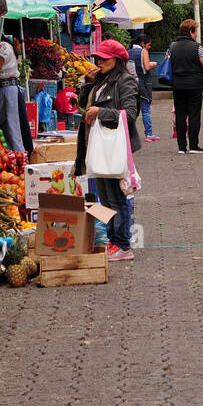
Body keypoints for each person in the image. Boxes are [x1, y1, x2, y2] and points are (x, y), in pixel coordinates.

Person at [74, 38, 141, 261]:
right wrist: (87, 83)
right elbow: (82, 108)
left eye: (104, 58)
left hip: (113, 148)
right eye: (97, 58)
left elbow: (130, 115)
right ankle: (112, 242)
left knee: (116, 198)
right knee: (105, 198)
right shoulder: (100, 81)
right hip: (96, 146)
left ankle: (123, 246)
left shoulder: (126, 81)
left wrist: (101, 113)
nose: (99, 62)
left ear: (117, 59)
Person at [167, 19, 203, 155]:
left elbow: (168, 63)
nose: (196, 34)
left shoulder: (172, 46)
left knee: (180, 115)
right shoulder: (197, 47)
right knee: (193, 115)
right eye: (196, 31)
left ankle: (181, 147)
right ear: (191, 32)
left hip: (177, 85)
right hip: (194, 85)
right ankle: (193, 145)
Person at [0, 28, 31, 153]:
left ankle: (20, 160)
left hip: (5, 90)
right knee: (13, 127)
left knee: (11, 129)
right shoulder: (6, 45)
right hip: (10, 89)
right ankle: (18, 158)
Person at [129, 33, 159, 142]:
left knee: (132, 110)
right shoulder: (143, 51)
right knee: (145, 110)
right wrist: (153, 64)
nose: (149, 47)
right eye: (149, 44)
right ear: (142, 43)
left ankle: (129, 134)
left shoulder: (127, 52)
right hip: (142, 82)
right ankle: (149, 134)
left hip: (130, 84)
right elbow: (146, 67)